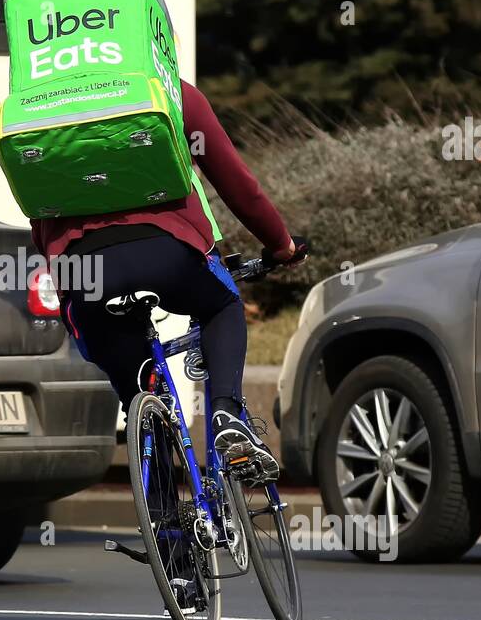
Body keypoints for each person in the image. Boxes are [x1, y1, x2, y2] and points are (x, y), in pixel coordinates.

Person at [30, 78, 303, 470]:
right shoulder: (169, 90)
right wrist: (281, 245)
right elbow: (238, 183)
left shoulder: (45, 103)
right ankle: (225, 414)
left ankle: (159, 496)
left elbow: (39, 212)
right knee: (222, 305)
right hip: (168, 250)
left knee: (135, 386)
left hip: (83, 271)